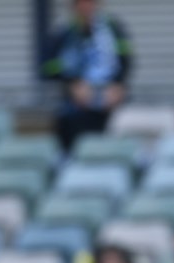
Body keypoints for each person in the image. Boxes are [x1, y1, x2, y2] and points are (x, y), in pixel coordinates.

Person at [41, 0, 133, 152]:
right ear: (74, 7)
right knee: (67, 119)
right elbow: (47, 68)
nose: (87, 7)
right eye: (82, 3)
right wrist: (72, 84)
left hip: (110, 100)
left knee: (122, 126)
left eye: (91, 3)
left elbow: (126, 61)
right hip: (76, 104)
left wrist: (117, 85)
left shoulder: (113, 29)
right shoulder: (64, 34)